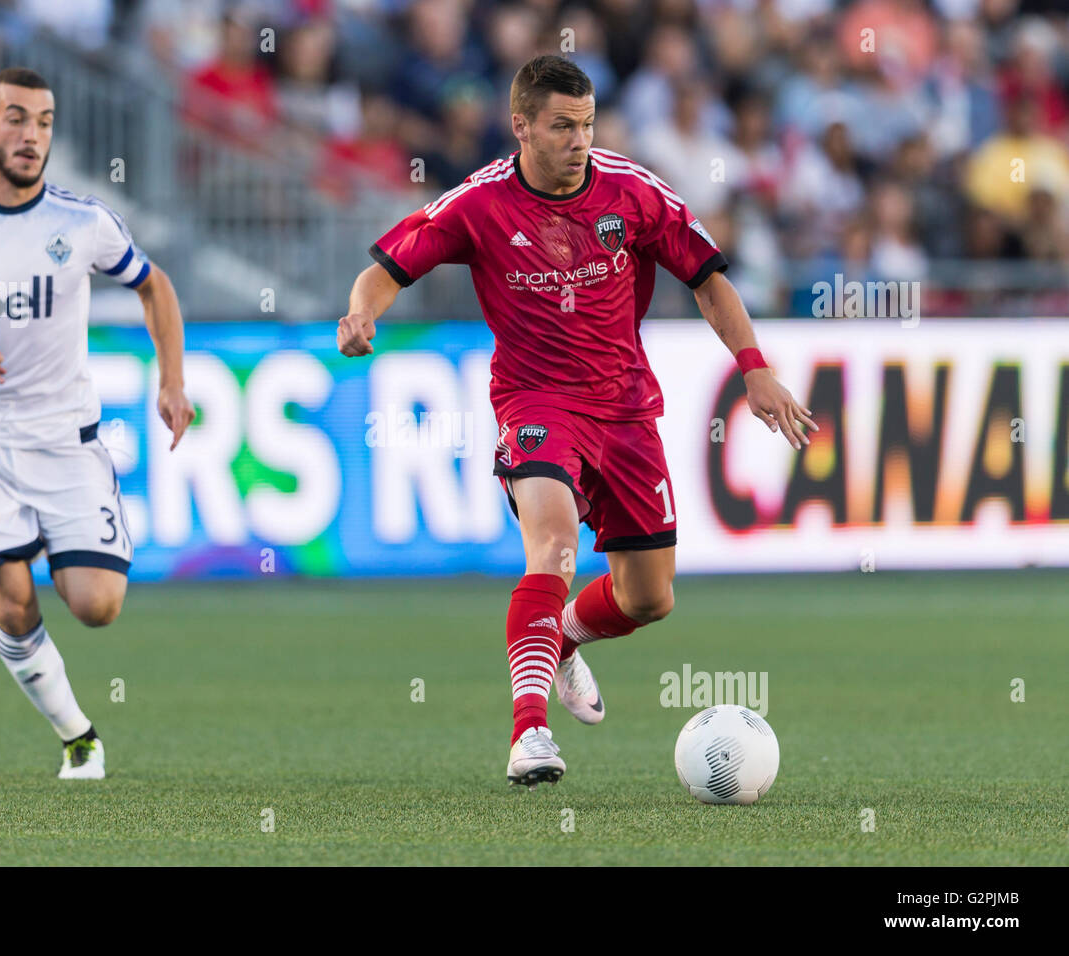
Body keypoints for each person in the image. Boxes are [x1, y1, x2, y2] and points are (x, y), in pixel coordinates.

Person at [338, 56, 814, 788]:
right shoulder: (480, 203)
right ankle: (529, 732)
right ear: (521, 125)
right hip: (534, 403)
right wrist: (363, 311)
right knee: (554, 546)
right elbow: (391, 264)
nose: (578, 140)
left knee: (649, 598)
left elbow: (708, 278)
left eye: (587, 124)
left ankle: (557, 640)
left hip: (625, 407)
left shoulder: (633, 191)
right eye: (562, 126)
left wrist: (754, 366)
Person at [0, 67, 195, 780]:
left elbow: (156, 286)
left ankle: (73, 544)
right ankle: (78, 736)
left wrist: (172, 380)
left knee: (96, 604)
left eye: (45, 122)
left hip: (64, 441)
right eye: (17, 118)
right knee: (13, 597)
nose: (32, 136)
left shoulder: (82, 222)